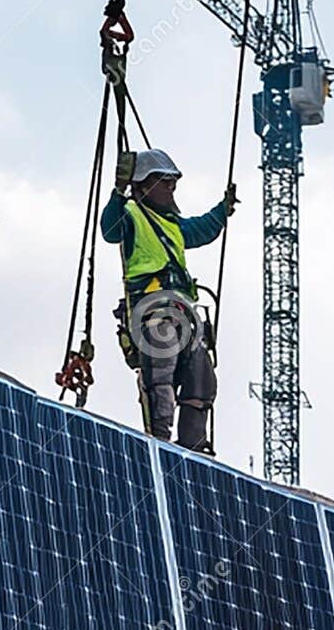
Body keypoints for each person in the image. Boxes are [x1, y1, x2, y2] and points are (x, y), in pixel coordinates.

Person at [101, 148, 236, 451]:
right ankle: (159, 441)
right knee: (160, 374)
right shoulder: (131, 214)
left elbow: (201, 229)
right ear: (142, 185)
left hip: (183, 312)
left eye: (172, 183)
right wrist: (118, 192)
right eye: (163, 182)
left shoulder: (173, 224)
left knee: (201, 379)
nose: (170, 189)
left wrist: (222, 210)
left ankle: (194, 446)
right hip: (153, 309)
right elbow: (109, 230)